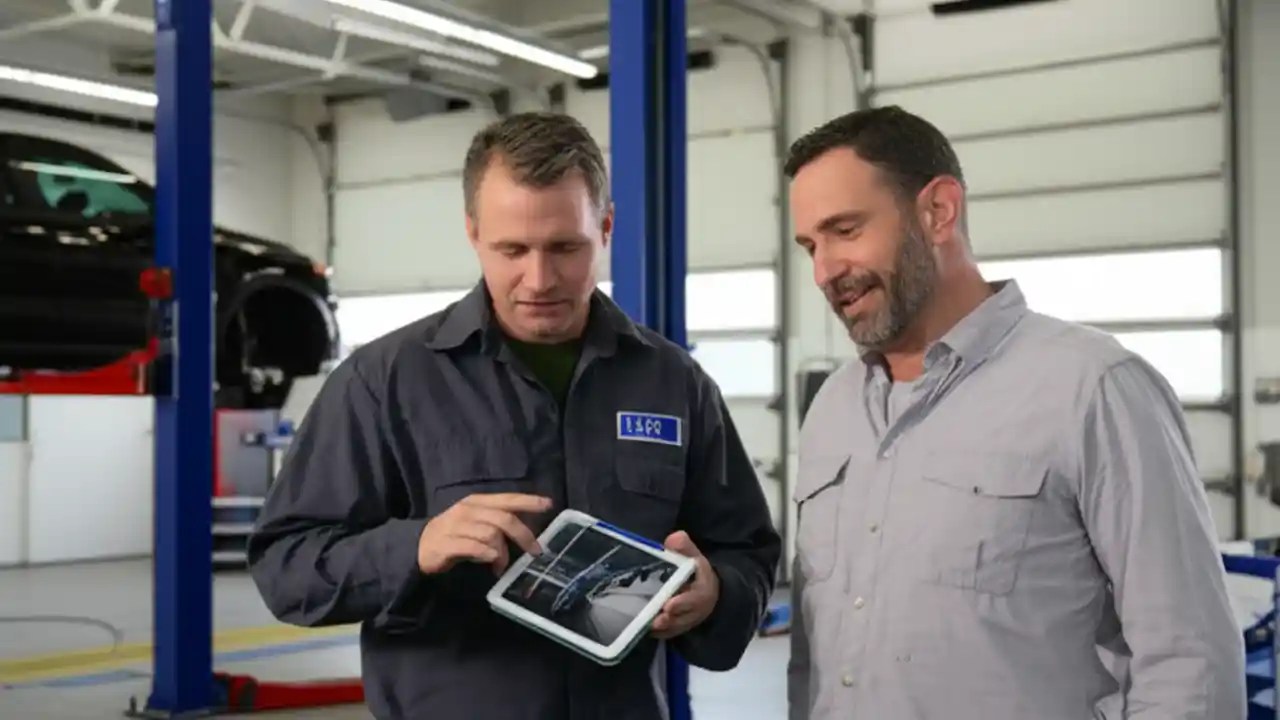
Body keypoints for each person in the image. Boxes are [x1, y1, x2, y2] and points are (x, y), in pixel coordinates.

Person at [247, 111, 781, 720]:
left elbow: (748, 551)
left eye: (564, 247)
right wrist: (415, 545)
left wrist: (715, 596)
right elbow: (286, 567)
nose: (539, 278)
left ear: (605, 229)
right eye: (512, 249)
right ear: (473, 233)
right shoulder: (384, 383)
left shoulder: (673, 383)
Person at [783, 106, 1246, 720]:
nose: (823, 271)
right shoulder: (834, 408)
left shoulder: (1092, 389)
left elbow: (1190, 666)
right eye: (810, 245)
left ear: (938, 212)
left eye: (845, 230)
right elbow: (815, 662)